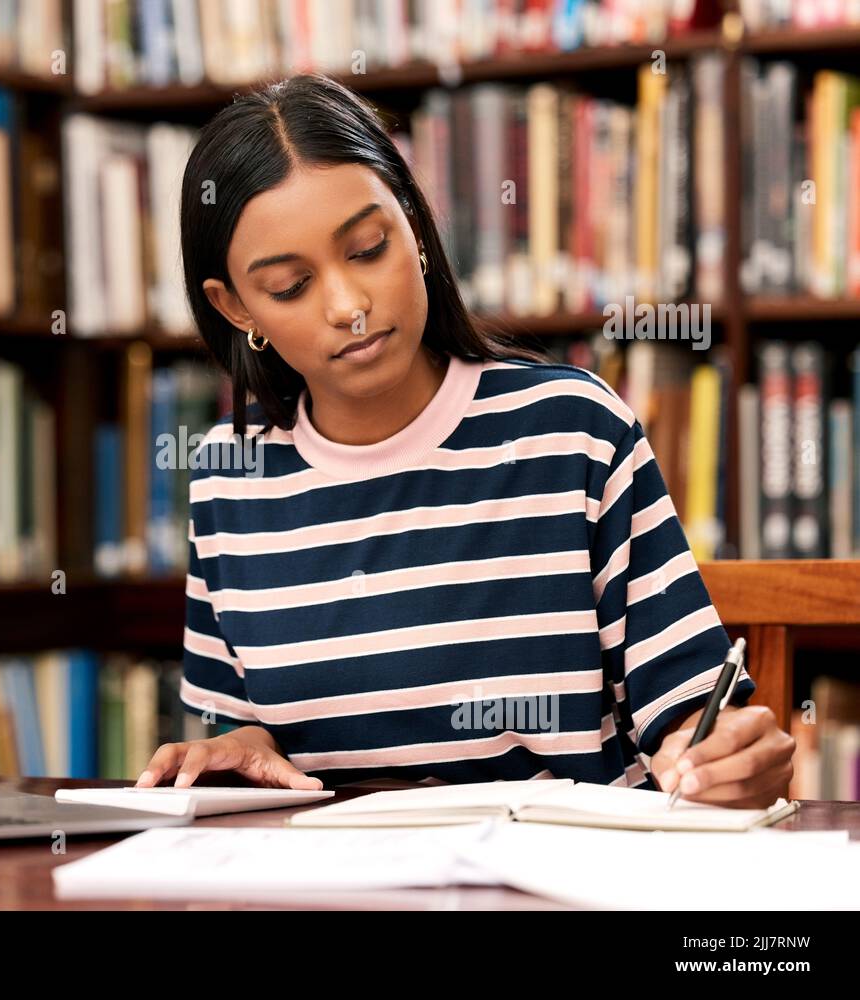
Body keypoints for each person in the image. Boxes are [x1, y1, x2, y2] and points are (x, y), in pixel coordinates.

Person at [136, 74, 794, 809]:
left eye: (368, 248)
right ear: (235, 307)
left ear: (415, 227)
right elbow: (248, 730)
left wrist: (721, 759)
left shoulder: (573, 431)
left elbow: (691, 720)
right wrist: (231, 750)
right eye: (290, 286)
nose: (349, 306)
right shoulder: (231, 478)